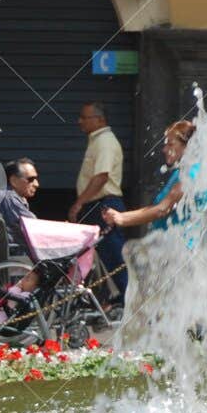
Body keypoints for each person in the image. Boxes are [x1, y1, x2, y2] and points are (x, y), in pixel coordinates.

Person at [71, 101, 126, 310]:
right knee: (101, 256)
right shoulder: (97, 141)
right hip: (97, 204)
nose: (80, 121)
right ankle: (113, 299)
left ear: (100, 120)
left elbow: (101, 177)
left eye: (84, 117)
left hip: (104, 205)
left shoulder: (104, 141)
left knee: (114, 255)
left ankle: (126, 302)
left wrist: (79, 203)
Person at [0, 158, 39, 258]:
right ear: (14, 180)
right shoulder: (8, 198)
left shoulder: (8, 197)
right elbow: (35, 227)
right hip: (20, 254)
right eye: (31, 179)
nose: (36, 184)